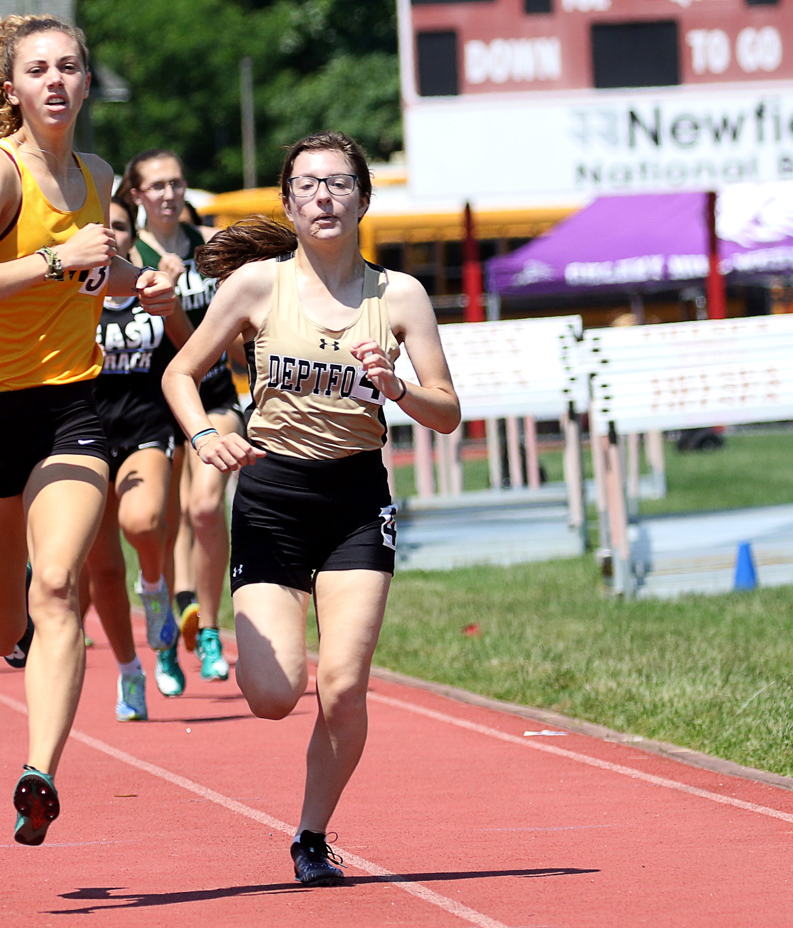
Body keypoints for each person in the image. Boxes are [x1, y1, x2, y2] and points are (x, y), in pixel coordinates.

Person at [162, 131, 460, 885]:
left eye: (338, 183)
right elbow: (180, 372)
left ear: (363, 197)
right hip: (272, 499)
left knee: (344, 684)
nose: (324, 196)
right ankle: (245, 642)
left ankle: (311, 836)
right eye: (307, 185)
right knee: (272, 695)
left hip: (357, 501)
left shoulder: (400, 297)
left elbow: (448, 410)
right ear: (289, 203)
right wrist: (202, 434)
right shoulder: (256, 288)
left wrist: (395, 387)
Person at [0, 14, 175, 846]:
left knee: (61, 581)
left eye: (70, 67)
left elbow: (94, 274)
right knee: (4, 627)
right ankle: (32, 652)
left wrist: (131, 281)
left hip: (71, 406)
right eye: (39, 70)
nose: (57, 82)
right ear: (15, 91)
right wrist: (53, 259)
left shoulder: (99, 171)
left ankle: (39, 774)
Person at [125, 148, 233, 683]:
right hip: (159, 400)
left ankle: (210, 629)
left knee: (208, 508)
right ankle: (166, 632)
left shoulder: (210, 247)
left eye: (177, 182)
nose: (170, 193)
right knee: (162, 527)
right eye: (158, 185)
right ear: (137, 194)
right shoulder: (133, 255)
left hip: (214, 391)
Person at [85, 190, 193, 719]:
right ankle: (129, 673)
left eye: (121, 226)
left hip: (146, 429)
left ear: (134, 235)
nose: (112, 234)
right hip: (82, 436)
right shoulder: (70, 295)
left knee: (145, 520)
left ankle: (153, 587)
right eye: (101, 226)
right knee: (100, 569)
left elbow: (191, 348)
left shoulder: (153, 286)